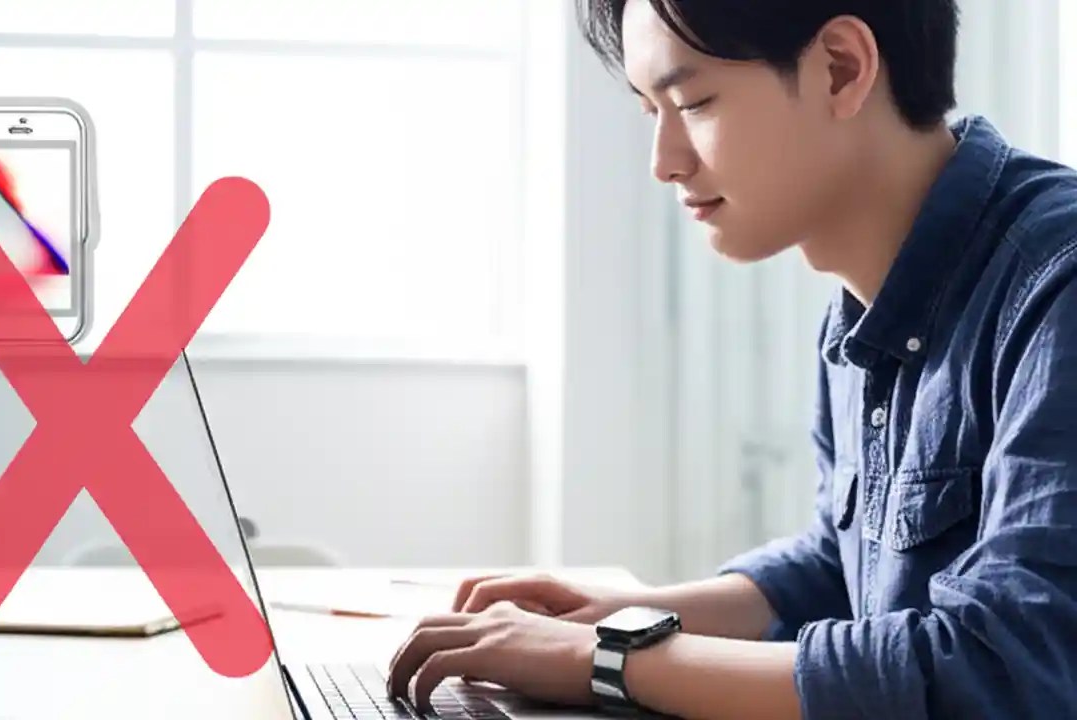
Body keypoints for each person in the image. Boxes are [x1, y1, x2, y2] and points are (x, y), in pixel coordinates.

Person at [384, 1, 1077, 718]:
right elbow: (842, 572)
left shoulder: (1057, 286)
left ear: (841, 69)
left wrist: (607, 661)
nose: (664, 161)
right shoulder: (862, 309)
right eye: (651, 110)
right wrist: (624, 615)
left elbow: (1010, 670)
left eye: (693, 102)